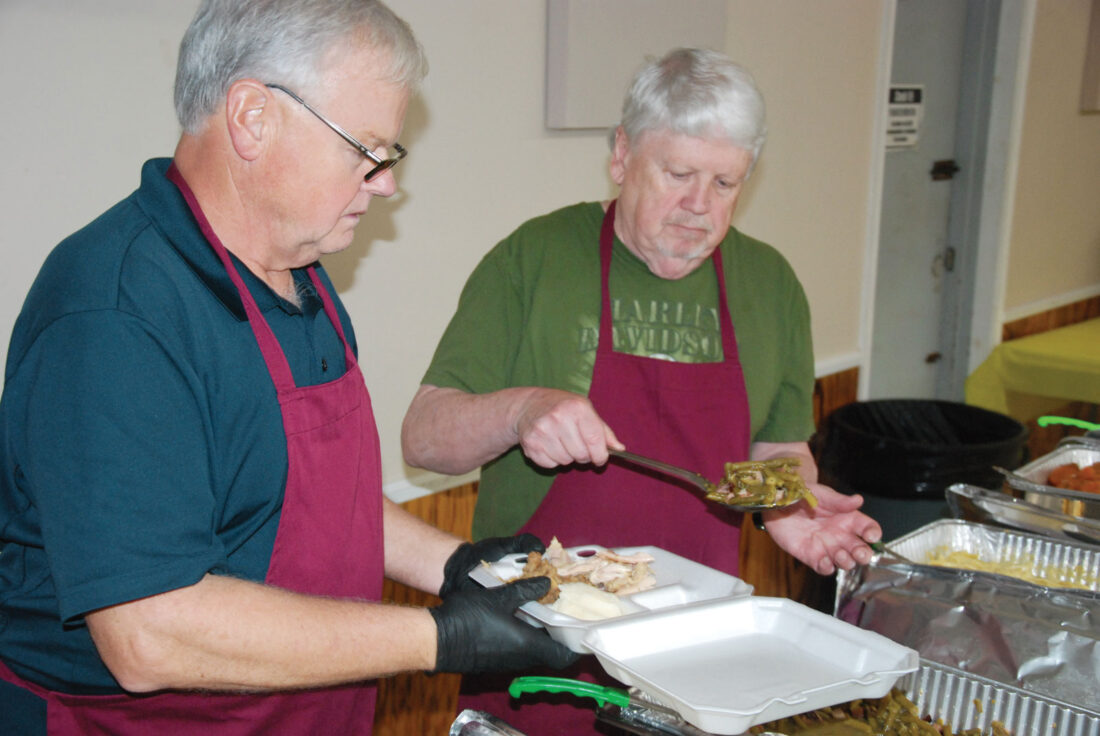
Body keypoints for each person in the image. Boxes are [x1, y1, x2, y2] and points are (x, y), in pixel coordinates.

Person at [0, 2, 578, 734]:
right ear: (252, 117)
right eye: (365, 149)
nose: (385, 184)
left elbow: (312, 502)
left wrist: (459, 566)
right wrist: (442, 637)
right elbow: (148, 633)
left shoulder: (296, 274)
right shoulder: (114, 314)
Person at [402, 47, 885, 733]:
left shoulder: (770, 284)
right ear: (622, 154)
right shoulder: (534, 259)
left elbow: (779, 443)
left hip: (696, 657)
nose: (699, 206)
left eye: (725, 183)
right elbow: (423, 436)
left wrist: (788, 507)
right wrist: (521, 410)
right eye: (678, 173)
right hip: (540, 646)